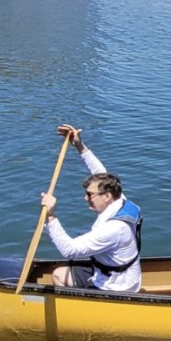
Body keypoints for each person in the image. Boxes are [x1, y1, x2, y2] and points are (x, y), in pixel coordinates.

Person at [40, 124, 143, 293]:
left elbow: (69, 250)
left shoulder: (113, 229)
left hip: (116, 286)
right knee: (62, 271)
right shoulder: (120, 201)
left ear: (107, 196)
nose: (85, 198)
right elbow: (100, 172)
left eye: (90, 194)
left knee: (59, 274)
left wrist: (51, 216)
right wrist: (79, 146)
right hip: (124, 275)